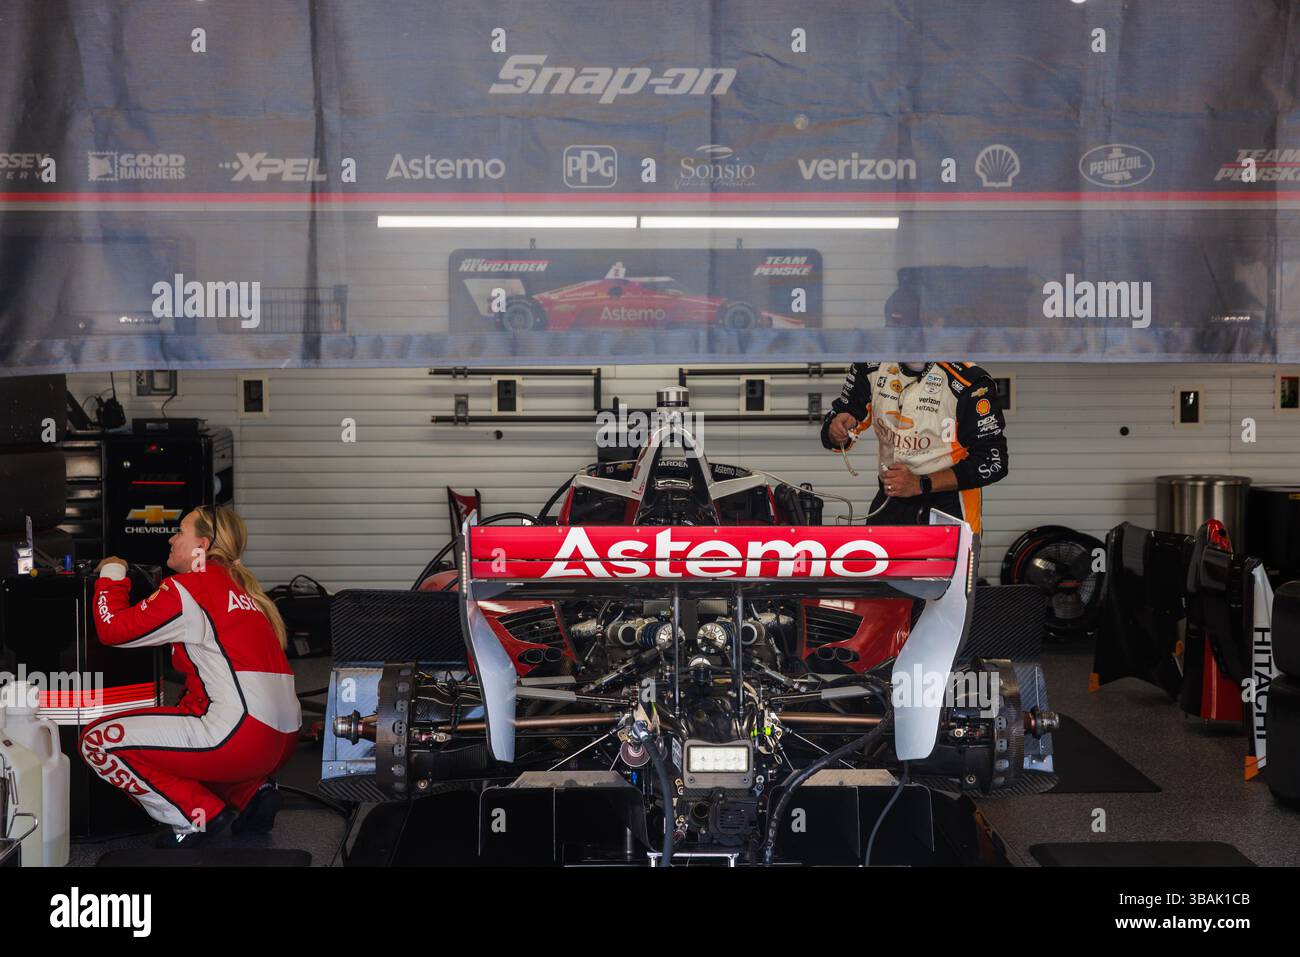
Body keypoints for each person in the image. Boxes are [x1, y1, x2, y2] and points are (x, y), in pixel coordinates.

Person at [80, 504, 302, 848]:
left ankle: (194, 817)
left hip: (241, 739)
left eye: (180, 532)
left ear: (203, 543)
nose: (171, 538)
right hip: (283, 740)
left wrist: (111, 575)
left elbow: (113, 630)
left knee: (97, 741)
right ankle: (250, 793)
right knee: (187, 725)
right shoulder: (248, 593)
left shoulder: (189, 588)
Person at [821, 361, 1008, 531]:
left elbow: (993, 461)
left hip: (950, 504)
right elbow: (842, 417)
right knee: (878, 567)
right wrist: (837, 429)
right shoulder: (871, 365)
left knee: (946, 569)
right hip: (890, 498)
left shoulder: (970, 381)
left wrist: (921, 483)